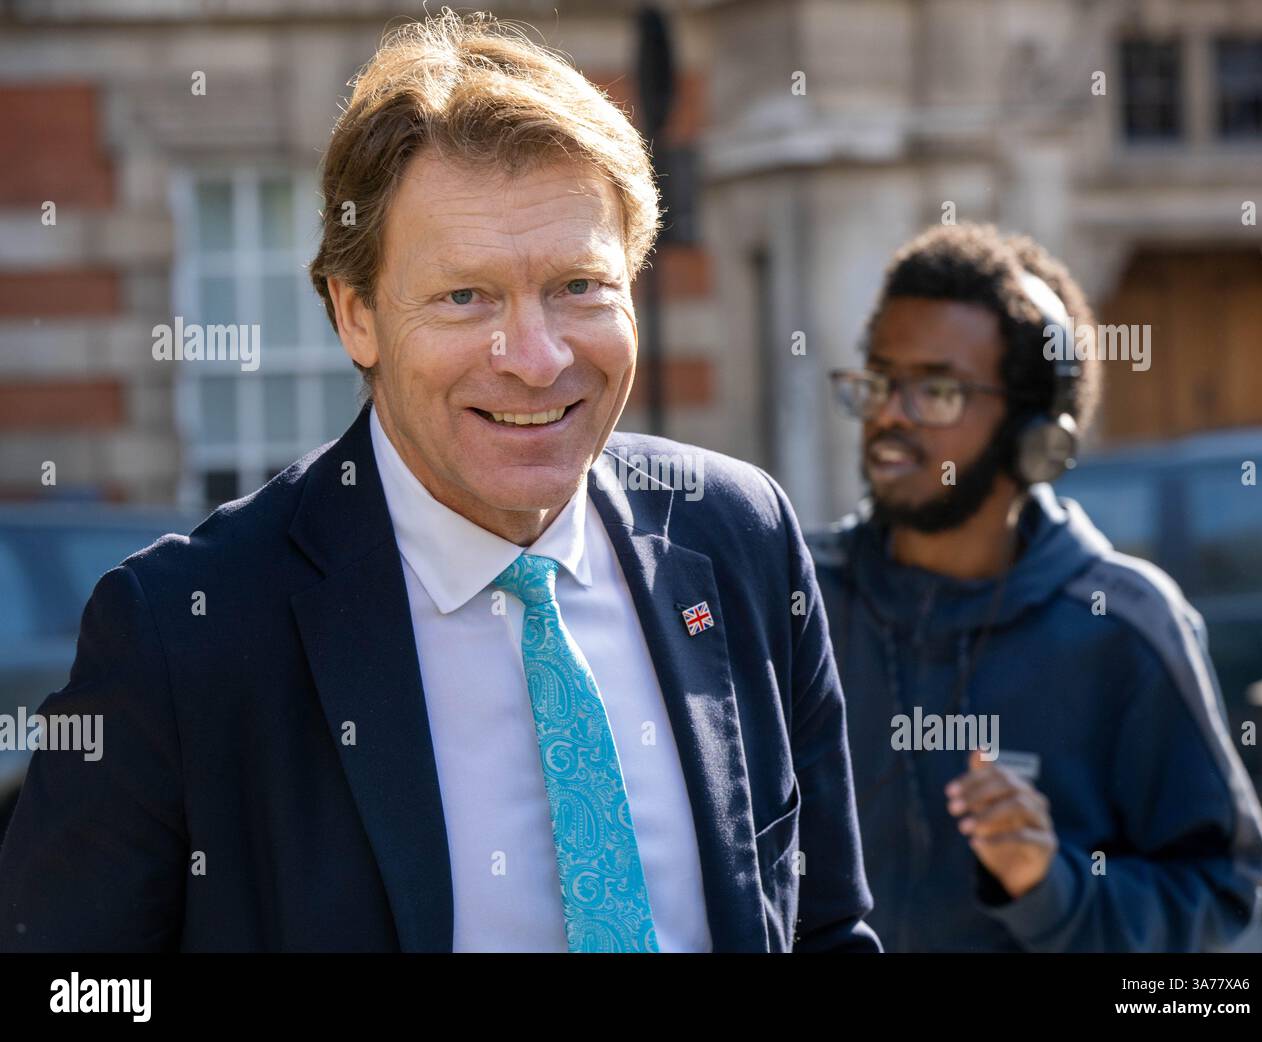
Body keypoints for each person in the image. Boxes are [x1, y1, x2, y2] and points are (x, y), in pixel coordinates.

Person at [0, 11, 878, 953]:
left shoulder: (738, 535)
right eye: (466, 297)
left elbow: (826, 926)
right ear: (356, 316)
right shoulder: (181, 632)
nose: (536, 360)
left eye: (581, 286)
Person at [810, 223, 1262, 952]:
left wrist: (1049, 886)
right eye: (878, 380)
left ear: (1037, 435)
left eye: (935, 390)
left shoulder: (1126, 628)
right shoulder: (796, 597)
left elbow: (1219, 893)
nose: (889, 416)